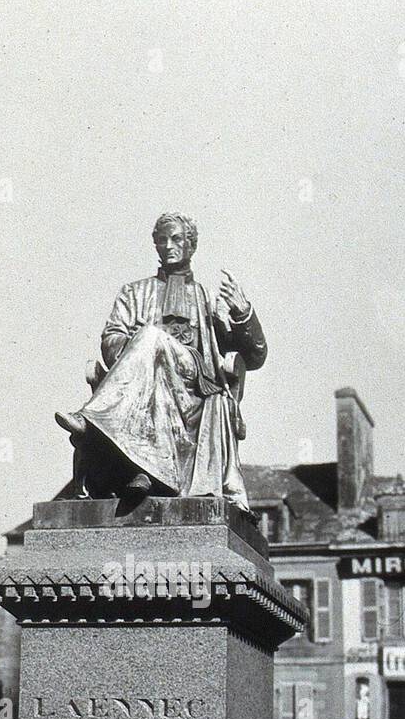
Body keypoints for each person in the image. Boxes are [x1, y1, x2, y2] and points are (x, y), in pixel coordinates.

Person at [56, 212, 267, 509]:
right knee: (150, 344)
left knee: (151, 336)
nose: (168, 245)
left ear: (191, 246)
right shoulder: (134, 292)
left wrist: (241, 313)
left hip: (194, 386)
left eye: (177, 239)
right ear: (155, 245)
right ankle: (147, 473)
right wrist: (139, 353)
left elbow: (254, 357)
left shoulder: (206, 298)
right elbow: (111, 338)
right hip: (145, 386)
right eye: (162, 239)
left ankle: (89, 420)